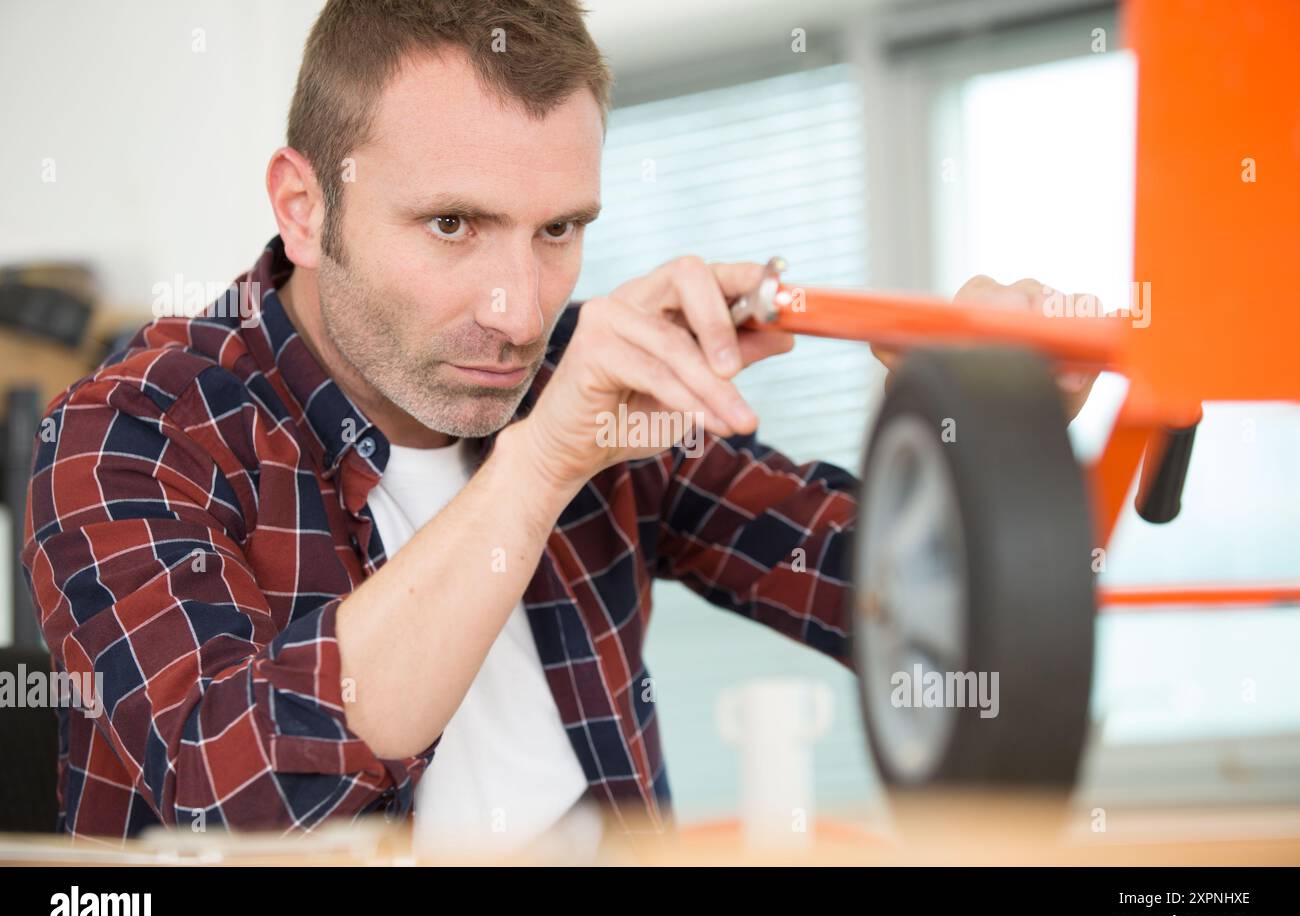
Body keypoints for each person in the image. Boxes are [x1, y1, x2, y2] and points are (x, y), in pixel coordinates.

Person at [21, 0, 1097, 851]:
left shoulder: (575, 383)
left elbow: (922, 609)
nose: (518, 309)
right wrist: (544, 460)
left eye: (559, 230)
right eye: (454, 224)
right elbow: (237, 789)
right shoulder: (128, 431)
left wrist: (1003, 446)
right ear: (304, 207)